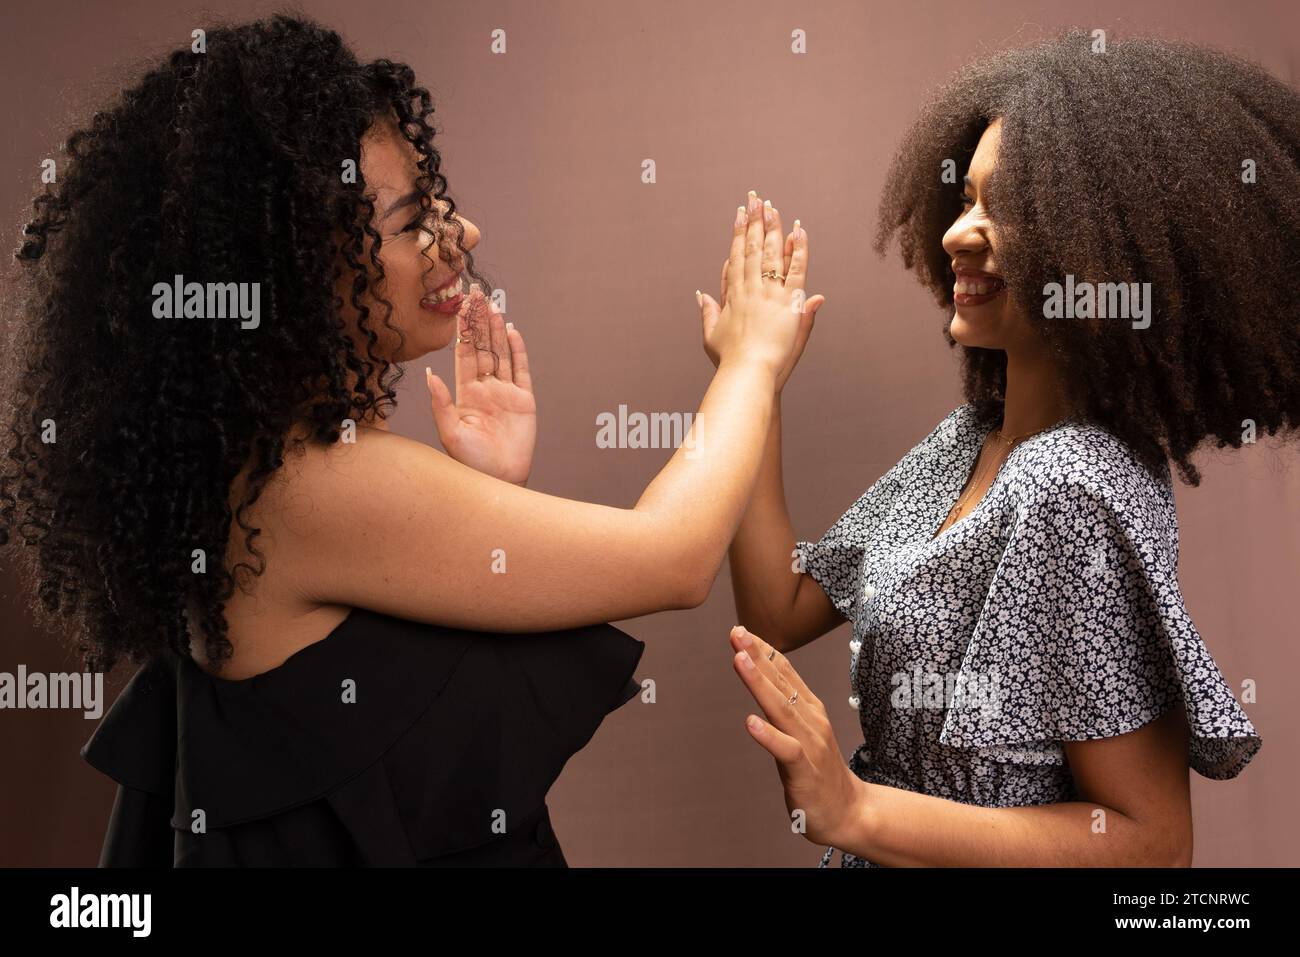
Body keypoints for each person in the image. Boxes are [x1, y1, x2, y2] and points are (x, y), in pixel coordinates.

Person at [0, 14, 824, 865]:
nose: (460, 238)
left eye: (440, 202)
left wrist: (490, 492)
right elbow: (677, 557)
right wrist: (750, 363)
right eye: (408, 223)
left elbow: (379, 734)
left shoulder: (264, 474)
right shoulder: (320, 485)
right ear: (295, 270)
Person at [720, 30, 1296, 867]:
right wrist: (755, 380)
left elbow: (1150, 845)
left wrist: (856, 810)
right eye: (967, 198)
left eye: (1009, 209)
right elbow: (777, 607)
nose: (959, 232)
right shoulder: (968, 444)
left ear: (1107, 248)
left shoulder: (1074, 487)